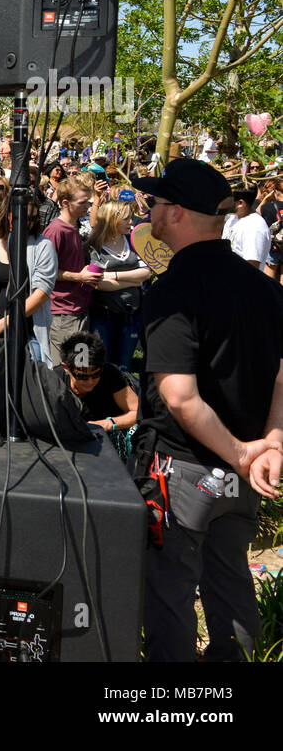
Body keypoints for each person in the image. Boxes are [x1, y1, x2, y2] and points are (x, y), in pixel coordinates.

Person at [131, 159, 283, 661]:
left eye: (156, 201)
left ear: (176, 213)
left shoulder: (172, 290)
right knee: (231, 586)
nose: (148, 208)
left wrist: (246, 452)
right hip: (244, 474)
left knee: (170, 595)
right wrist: (271, 444)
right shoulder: (263, 287)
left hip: (187, 469)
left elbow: (179, 396)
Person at [0, 192, 57, 363]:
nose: (29, 223)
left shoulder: (43, 246)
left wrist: (4, 323)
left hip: (29, 332)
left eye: (34, 218)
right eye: (24, 217)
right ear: (8, 215)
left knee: (29, 384)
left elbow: (42, 293)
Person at [86, 199, 151, 371]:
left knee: (124, 367)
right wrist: (133, 280)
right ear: (112, 219)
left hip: (131, 315)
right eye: (127, 218)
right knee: (103, 365)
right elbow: (97, 284)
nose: (131, 222)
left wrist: (112, 275)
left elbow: (146, 273)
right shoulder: (94, 245)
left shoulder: (133, 241)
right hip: (103, 317)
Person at [55, 330, 139, 458]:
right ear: (66, 368)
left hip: (111, 435)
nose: (90, 382)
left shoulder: (110, 374)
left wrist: (108, 423)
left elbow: (138, 413)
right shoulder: (55, 380)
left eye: (96, 374)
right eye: (82, 376)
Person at [43, 174, 99, 366]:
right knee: (64, 371)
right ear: (65, 203)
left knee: (81, 367)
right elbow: (45, 272)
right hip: (62, 314)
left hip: (79, 310)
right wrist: (79, 276)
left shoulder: (74, 226)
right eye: (83, 202)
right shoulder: (55, 230)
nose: (87, 206)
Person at [223, 185, 270, 270]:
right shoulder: (233, 218)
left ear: (240, 203)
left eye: (227, 198)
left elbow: (252, 267)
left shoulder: (255, 227)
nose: (223, 201)